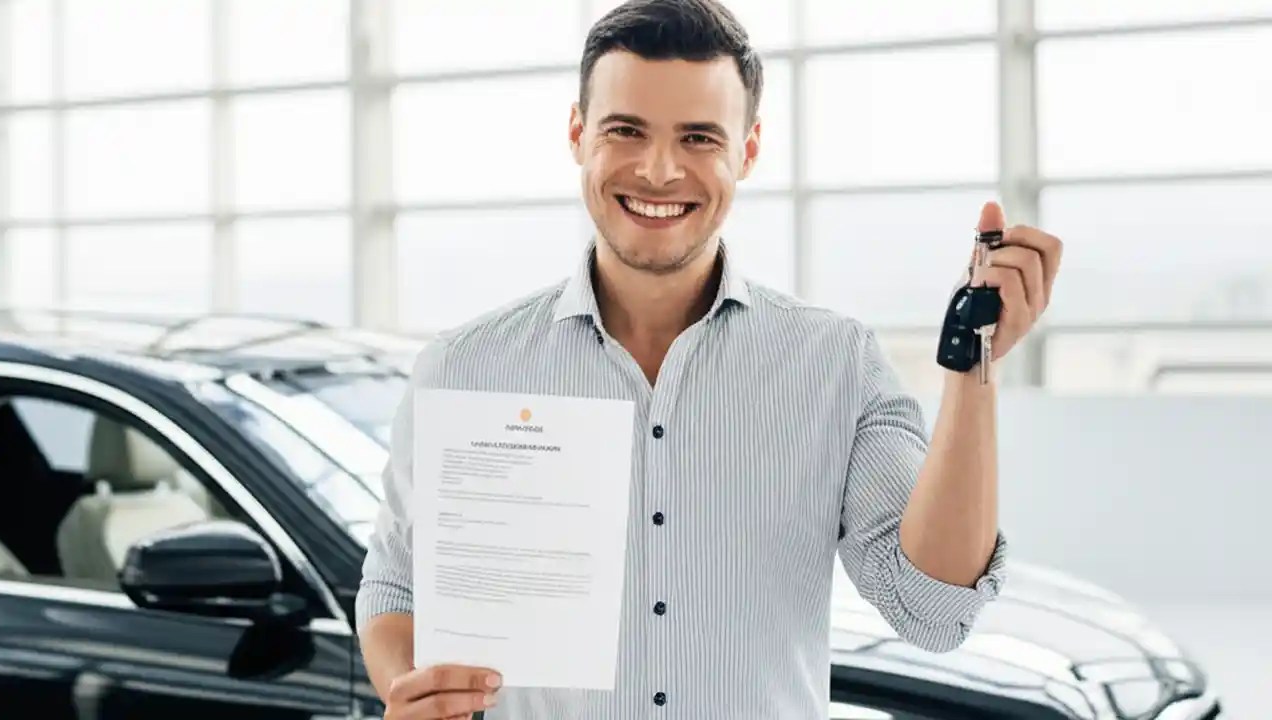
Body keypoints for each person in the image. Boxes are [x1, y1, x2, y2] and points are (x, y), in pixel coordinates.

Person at [356, 0, 1063, 717]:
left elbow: (932, 610)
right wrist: (411, 691)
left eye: (699, 138)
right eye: (626, 131)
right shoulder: (467, 368)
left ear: (748, 151)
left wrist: (974, 371)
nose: (659, 170)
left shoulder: (834, 366)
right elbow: (395, 590)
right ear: (578, 134)